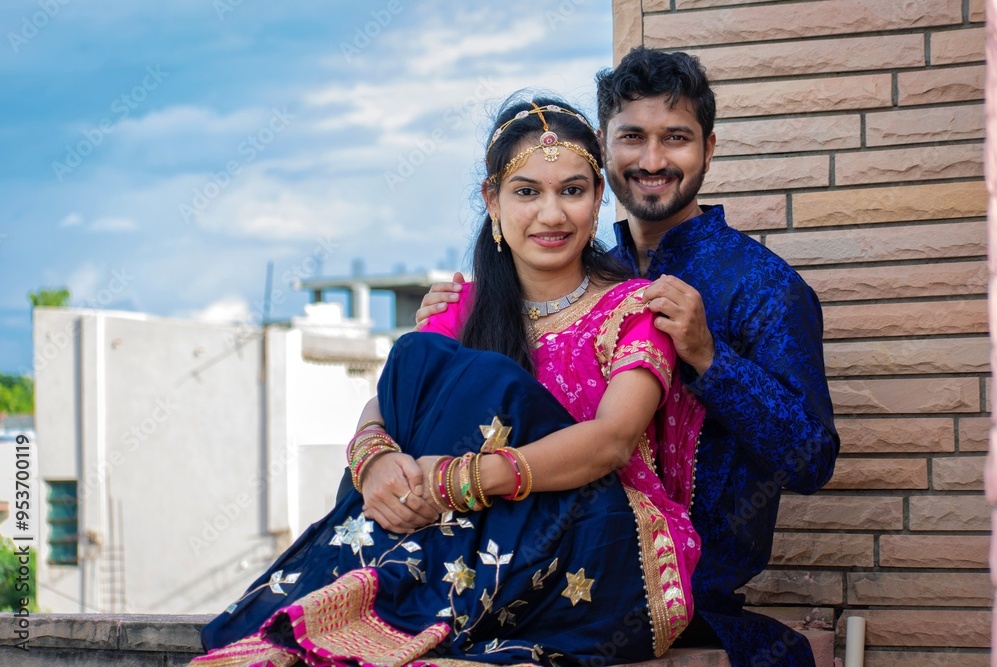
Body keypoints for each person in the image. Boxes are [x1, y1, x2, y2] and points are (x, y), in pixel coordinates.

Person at [192, 96, 706, 667]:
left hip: (601, 549)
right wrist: (377, 462)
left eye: (572, 190)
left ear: (597, 199)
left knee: (482, 377)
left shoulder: (635, 309)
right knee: (415, 356)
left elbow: (611, 441)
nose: (552, 214)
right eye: (527, 191)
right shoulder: (459, 308)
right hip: (470, 541)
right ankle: (358, 610)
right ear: (493, 201)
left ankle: (347, 609)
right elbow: (388, 408)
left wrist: (453, 483)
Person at [414, 49, 840, 667]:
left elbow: (811, 460)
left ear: (710, 149)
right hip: (529, 574)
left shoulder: (761, 286)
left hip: (683, 600)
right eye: (632, 137)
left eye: (677, 139)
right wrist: (445, 329)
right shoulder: (571, 276)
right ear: (603, 151)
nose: (652, 160)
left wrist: (711, 360)